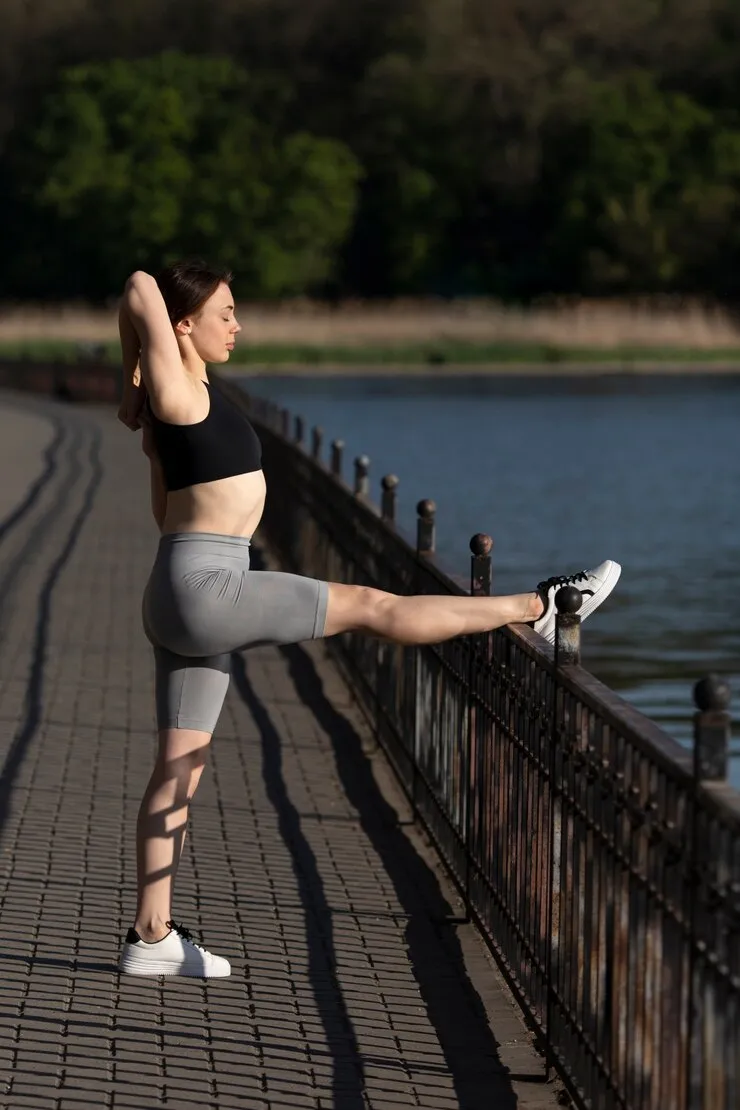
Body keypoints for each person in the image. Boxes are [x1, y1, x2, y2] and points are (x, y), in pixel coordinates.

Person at [116, 260, 621, 978]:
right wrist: (131, 370)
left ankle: (152, 937)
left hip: (178, 584)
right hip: (207, 582)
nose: (238, 324)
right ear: (184, 325)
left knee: (179, 768)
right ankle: (541, 605)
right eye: (225, 312)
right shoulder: (172, 391)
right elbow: (139, 282)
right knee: (370, 605)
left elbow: (166, 512)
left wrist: (137, 389)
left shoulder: (184, 400)